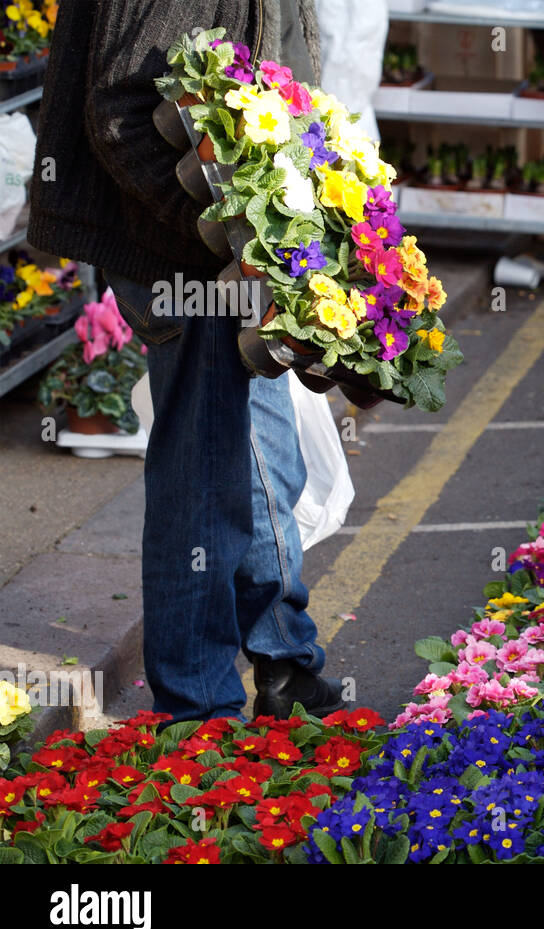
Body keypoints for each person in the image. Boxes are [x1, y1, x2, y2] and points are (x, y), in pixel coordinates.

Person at [28, 1, 344, 723]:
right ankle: (196, 709)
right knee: (203, 477)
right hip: (190, 257)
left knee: (261, 453)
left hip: (223, 256)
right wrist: (230, 231)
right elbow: (122, 107)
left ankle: (283, 658)